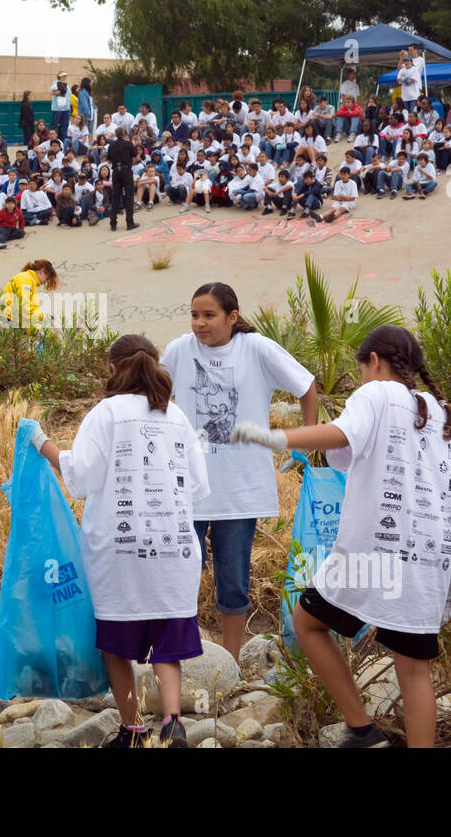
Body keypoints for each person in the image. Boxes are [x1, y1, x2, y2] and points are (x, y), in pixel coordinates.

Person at [228, 324, 451, 748]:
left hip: (372, 556)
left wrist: (275, 436)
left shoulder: (377, 393)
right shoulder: (449, 419)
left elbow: (342, 437)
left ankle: (362, 730)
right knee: (414, 671)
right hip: (426, 567)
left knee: (308, 623)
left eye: (361, 368)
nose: (361, 378)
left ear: (375, 362)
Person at [28, 334, 209, 748]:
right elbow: (198, 485)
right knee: (168, 640)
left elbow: (82, 476)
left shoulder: (105, 414)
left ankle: (132, 730)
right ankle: (173, 723)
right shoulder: (176, 416)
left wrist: (45, 446)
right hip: (173, 545)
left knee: (116, 641)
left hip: (119, 548)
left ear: (112, 369)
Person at [159, 283, 318, 662]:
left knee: (233, 580)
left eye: (209, 315)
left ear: (232, 317)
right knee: (177, 573)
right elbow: (153, 395)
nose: (199, 323)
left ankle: (229, 662)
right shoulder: (180, 350)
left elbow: (307, 386)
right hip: (187, 488)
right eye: (195, 315)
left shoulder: (257, 349)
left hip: (240, 489)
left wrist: (305, 442)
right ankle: (177, 653)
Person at [0, 259, 57, 330]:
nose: (46, 281)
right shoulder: (26, 279)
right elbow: (25, 307)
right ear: (42, 271)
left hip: (14, 322)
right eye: (47, 278)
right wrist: (41, 320)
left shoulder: (29, 280)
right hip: (11, 322)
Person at [106, 127, 138, 232]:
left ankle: (113, 224)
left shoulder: (111, 146)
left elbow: (109, 158)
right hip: (126, 170)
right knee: (129, 196)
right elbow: (135, 155)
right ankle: (130, 222)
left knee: (116, 197)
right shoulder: (128, 144)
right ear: (124, 134)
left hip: (116, 171)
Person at [50, 73, 71, 142]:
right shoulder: (56, 82)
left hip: (66, 108)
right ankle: (53, 140)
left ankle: (63, 141)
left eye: (65, 76)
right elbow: (53, 92)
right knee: (55, 125)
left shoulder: (67, 85)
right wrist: (60, 92)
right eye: (63, 76)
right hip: (58, 108)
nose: (65, 77)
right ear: (59, 76)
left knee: (65, 126)